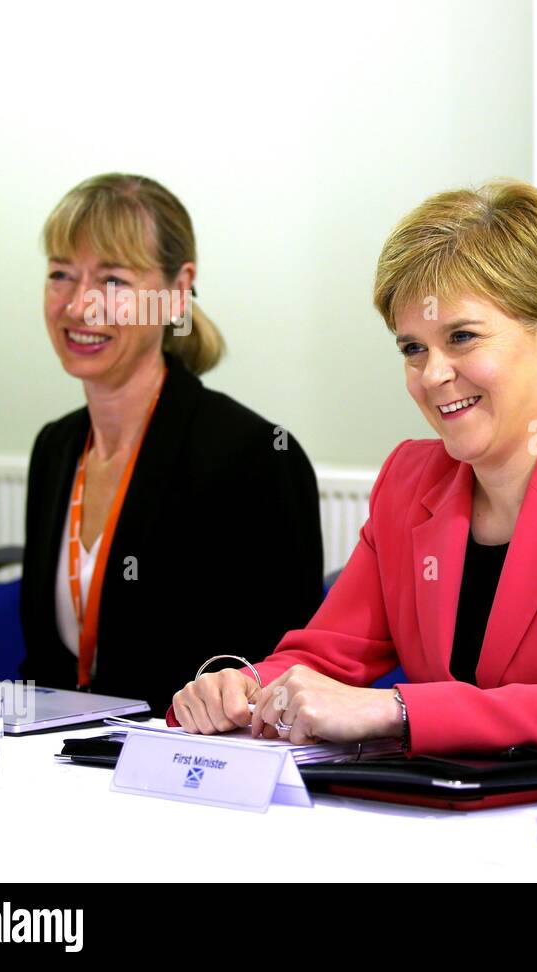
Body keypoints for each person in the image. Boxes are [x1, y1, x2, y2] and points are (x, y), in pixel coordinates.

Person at [168, 180, 537, 785]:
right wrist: (244, 685)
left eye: (462, 337)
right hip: (482, 816)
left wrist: (394, 710)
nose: (433, 374)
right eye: (413, 348)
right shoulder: (408, 479)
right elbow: (326, 654)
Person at [20, 173, 324, 713]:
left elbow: (280, 675)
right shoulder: (55, 448)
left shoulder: (254, 456)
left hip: (190, 776)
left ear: (177, 291)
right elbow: (45, 667)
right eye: (61, 274)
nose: (78, 306)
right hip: (65, 768)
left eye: (112, 281)